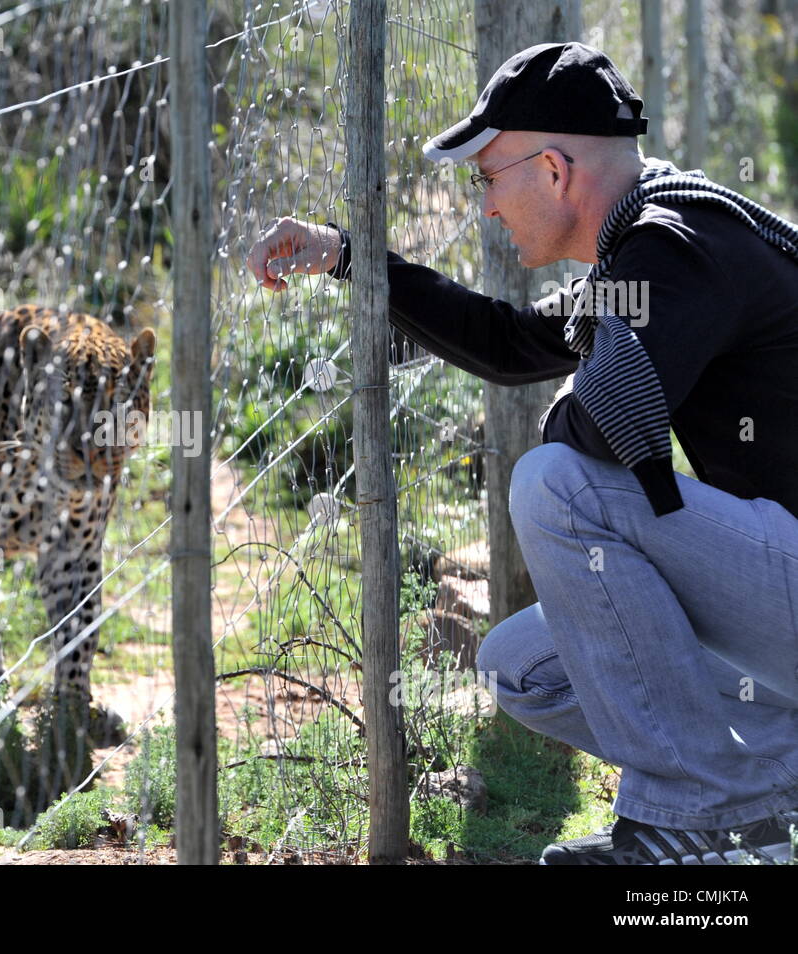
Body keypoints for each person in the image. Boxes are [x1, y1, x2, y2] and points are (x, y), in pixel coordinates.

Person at [245, 41, 798, 865]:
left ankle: (697, 813)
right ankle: (761, 797)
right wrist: (347, 255)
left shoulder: (676, 245)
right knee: (522, 666)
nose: (485, 209)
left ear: (552, 169)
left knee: (556, 486)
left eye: (488, 179)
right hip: (777, 593)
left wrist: (567, 425)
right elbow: (510, 344)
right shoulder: (642, 245)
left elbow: (608, 423)